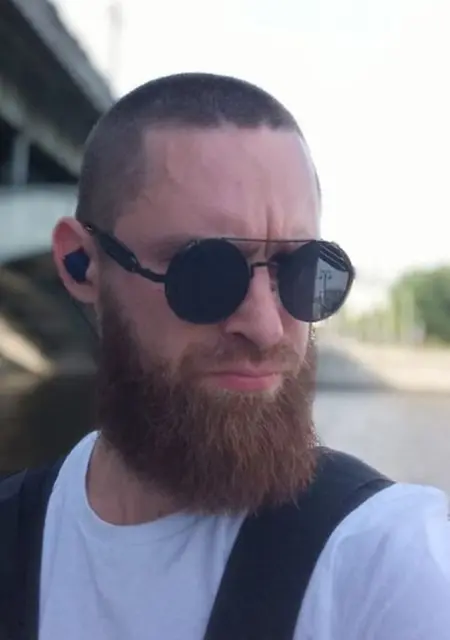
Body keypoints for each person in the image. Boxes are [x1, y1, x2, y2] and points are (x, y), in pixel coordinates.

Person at [5, 73, 450, 639]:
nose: (266, 328)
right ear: (80, 263)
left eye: (301, 270)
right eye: (206, 272)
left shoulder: (387, 563)